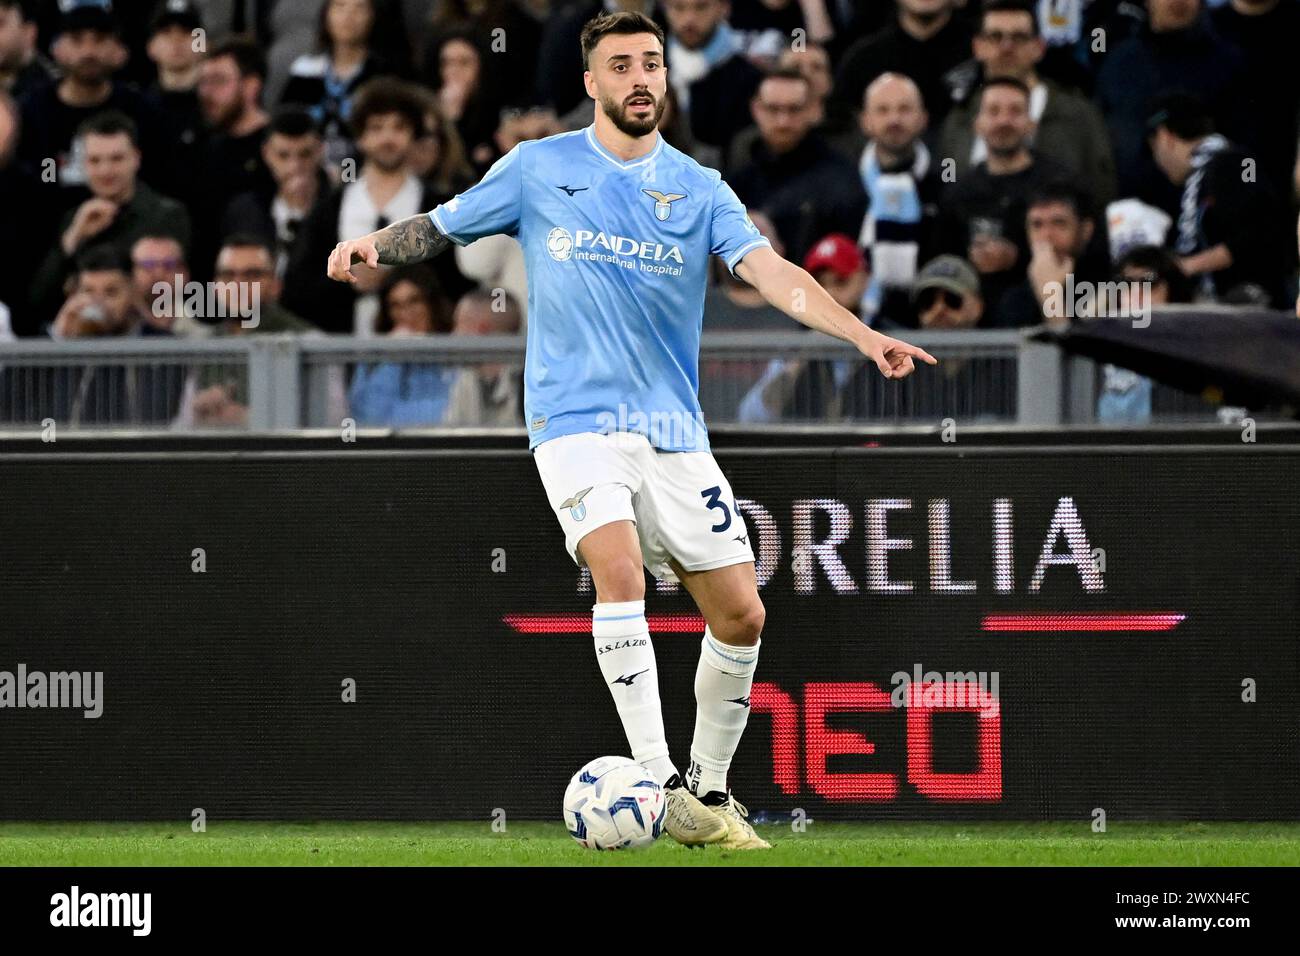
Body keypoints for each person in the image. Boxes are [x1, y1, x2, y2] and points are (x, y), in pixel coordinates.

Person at [326, 11, 934, 850]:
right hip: (572, 421)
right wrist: (374, 245)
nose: (642, 78)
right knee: (621, 577)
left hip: (674, 432)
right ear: (592, 83)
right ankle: (656, 782)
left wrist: (863, 335)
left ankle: (711, 793)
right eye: (622, 65)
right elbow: (441, 224)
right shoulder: (538, 168)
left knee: (744, 615)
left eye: (652, 63)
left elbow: (775, 275)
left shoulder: (701, 187)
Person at [938, 0, 1116, 207]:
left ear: (1039, 47)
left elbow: (1102, 190)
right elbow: (946, 184)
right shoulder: (960, 116)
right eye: (995, 37)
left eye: (1019, 38)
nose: (1007, 47)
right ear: (978, 47)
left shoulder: (1079, 115)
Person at [1146, 93, 1289, 305]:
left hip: (1254, 311)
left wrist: (1187, 266)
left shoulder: (1238, 162)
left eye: (1153, 149)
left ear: (1165, 137)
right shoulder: (1202, 176)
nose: (1157, 162)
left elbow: (1260, 232)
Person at [856, 72, 943, 327]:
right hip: (856, 323)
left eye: (904, 109)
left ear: (923, 118)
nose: (894, 119)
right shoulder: (842, 186)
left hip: (926, 325)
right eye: (883, 110)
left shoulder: (944, 187)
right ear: (866, 121)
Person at [442, 287, 525, 427]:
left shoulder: (531, 383)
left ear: (480, 330)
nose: (453, 335)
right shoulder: (465, 379)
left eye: (458, 324)